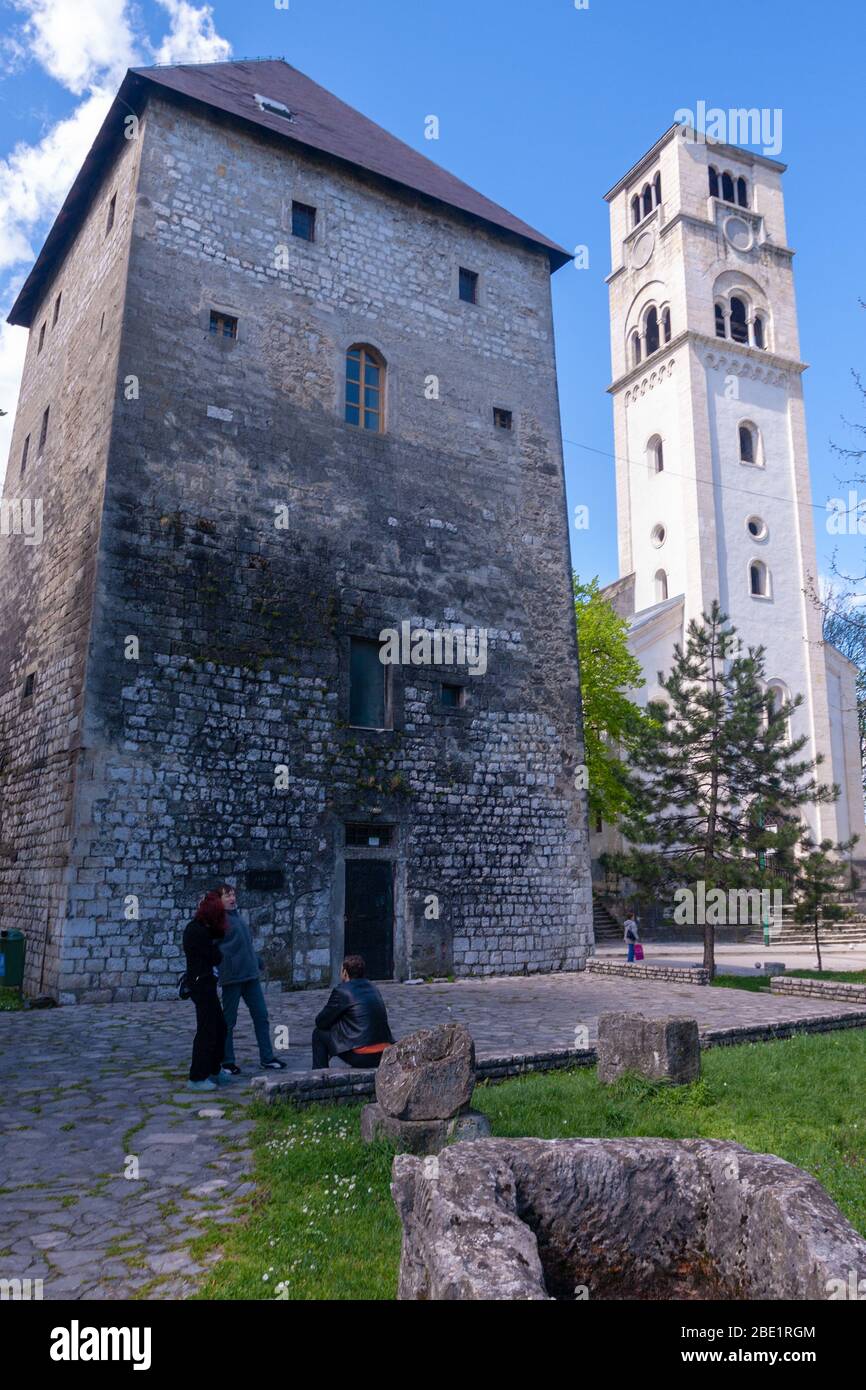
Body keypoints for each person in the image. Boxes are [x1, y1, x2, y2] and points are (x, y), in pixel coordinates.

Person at [217, 883, 287, 1074]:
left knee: (261, 1015)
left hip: (250, 976)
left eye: (233, 895)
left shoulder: (238, 918)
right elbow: (214, 948)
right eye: (227, 896)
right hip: (232, 978)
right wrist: (225, 966)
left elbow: (245, 945)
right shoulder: (217, 921)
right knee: (229, 1021)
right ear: (219, 900)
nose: (232, 899)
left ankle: (267, 1058)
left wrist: (257, 961)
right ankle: (227, 1061)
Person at [183, 891, 232, 1091]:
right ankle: (197, 1076)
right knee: (207, 1030)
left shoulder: (201, 929)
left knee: (219, 1027)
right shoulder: (197, 932)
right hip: (201, 985)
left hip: (206, 984)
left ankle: (213, 1068)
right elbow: (215, 956)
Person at [311, 954, 394, 1069]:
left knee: (319, 1034)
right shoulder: (373, 988)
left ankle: (319, 1075)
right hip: (383, 1052)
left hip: (362, 1055)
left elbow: (321, 1022)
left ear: (345, 972)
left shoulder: (342, 991)